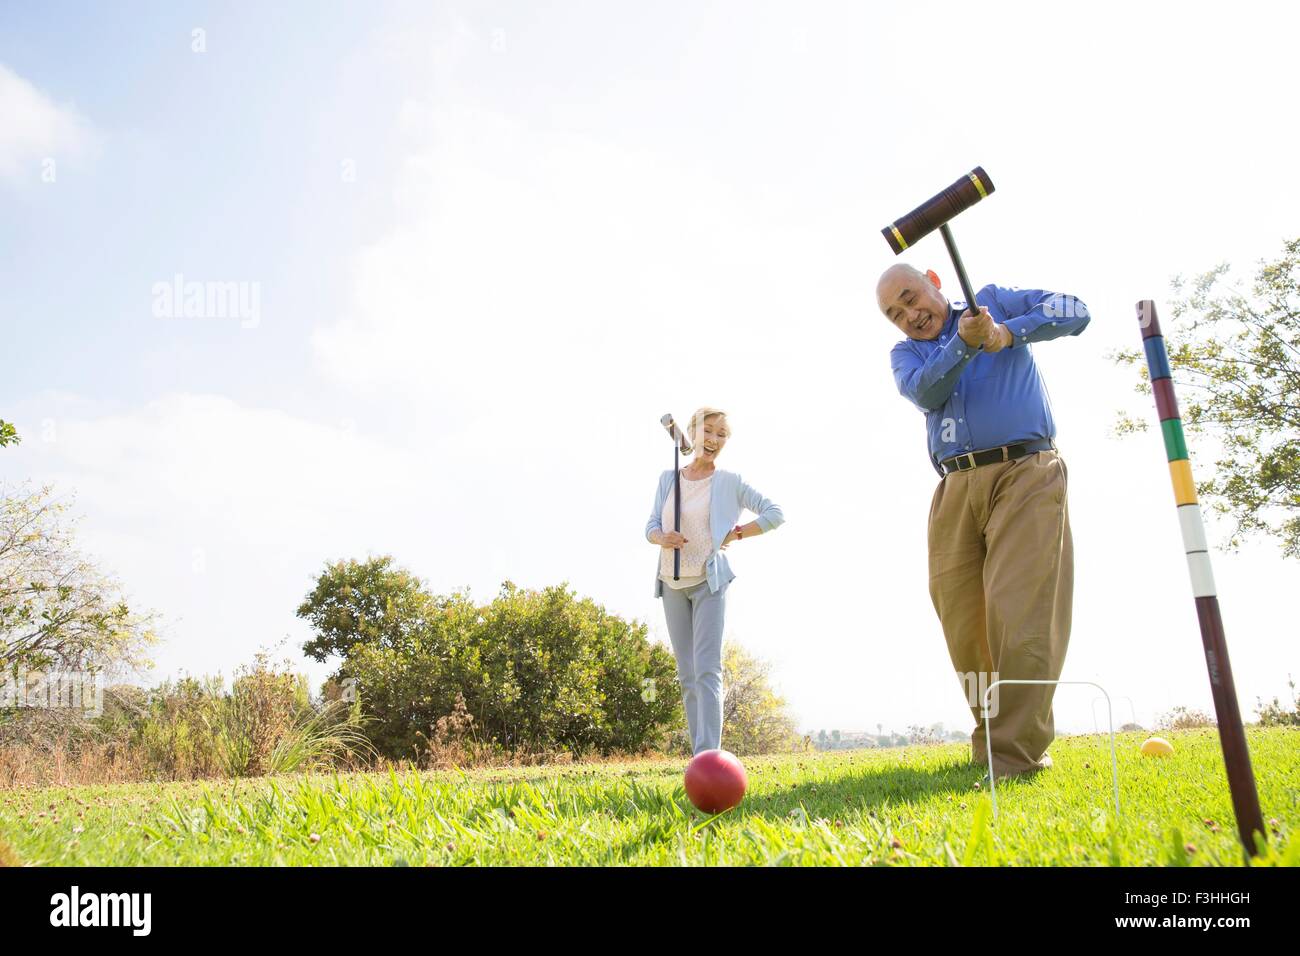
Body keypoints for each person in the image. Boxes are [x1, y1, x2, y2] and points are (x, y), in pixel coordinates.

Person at [877, 264, 1090, 778]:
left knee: (1020, 611)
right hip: (953, 485)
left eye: (912, 298)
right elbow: (925, 392)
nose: (910, 316)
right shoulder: (906, 354)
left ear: (935, 281)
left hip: (1025, 471)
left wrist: (1005, 332)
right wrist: (965, 345)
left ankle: (1016, 755)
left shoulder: (995, 299)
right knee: (965, 626)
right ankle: (991, 735)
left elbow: (1076, 311)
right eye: (895, 313)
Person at [644, 407, 785, 755]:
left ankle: (707, 755)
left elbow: (774, 514)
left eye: (721, 434)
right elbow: (649, 527)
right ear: (692, 432)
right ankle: (698, 753)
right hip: (671, 581)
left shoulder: (729, 482)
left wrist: (735, 534)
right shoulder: (668, 479)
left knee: (707, 670)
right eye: (708, 431)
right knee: (687, 674)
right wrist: (663, 538)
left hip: (709, 582)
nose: (714, 440)